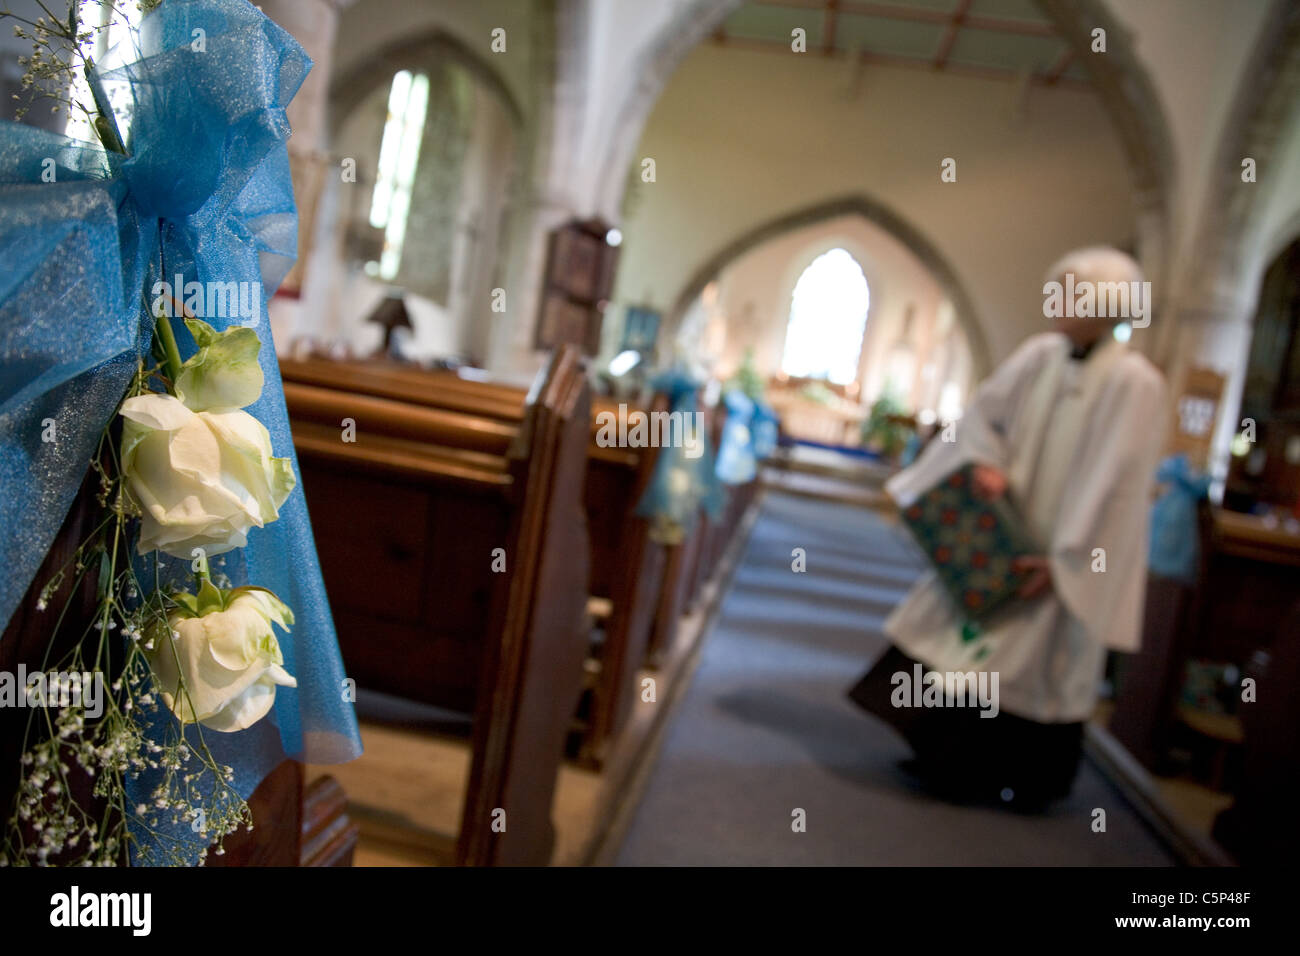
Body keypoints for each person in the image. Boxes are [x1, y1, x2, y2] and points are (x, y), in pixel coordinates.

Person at [849, 246, 1168, 809]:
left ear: (1105, 305)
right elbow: (983, 417)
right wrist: (985, 463)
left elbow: (1117, 488)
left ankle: (1021, 781)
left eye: (1070, 295)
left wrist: (1069, 565)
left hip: (1053, 557)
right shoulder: (1040, 355)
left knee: (1025, 666)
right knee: (960, 647)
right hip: (1000, 538)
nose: (1056, 304)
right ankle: (942, 759)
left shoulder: (1135, 383)